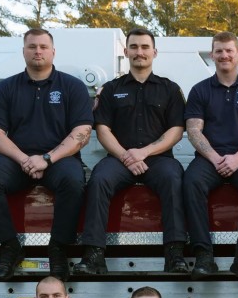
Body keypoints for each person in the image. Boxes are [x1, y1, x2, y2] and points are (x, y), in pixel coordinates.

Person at [0, 28, 92, 279]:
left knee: (73, 181)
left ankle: (58, 248)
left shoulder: (73, 87)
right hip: (17, 160)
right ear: (24, 51)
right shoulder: (6, 88)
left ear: (53, 52)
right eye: (32, 46)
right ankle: (9, 247)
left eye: (43, 47)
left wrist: (47, 158)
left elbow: (82, 132)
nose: (38, 51)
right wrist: (25, 160)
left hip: (59, 159)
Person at [77, 28, 188, 275]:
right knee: (98, 180)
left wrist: (144, 152)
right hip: (119, 158)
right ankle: (93, 255)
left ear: (154, 52)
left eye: (145, 47)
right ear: (126, 52)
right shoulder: (110, 89)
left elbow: (176, 130)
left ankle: (175, 254)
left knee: (174, 179)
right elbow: (102, 129)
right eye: (134, 47)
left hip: (158, 158)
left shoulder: (170, 89)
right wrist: (126, 156)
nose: (140, 52)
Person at [183, 31, 238, 278]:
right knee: (191, 182)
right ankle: (203, 256)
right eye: (219, 51)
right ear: (212, 55)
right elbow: (193, 130)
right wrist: (215, 158)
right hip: (208, 158)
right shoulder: (200, 90)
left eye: (229, 50)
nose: (224, 55)